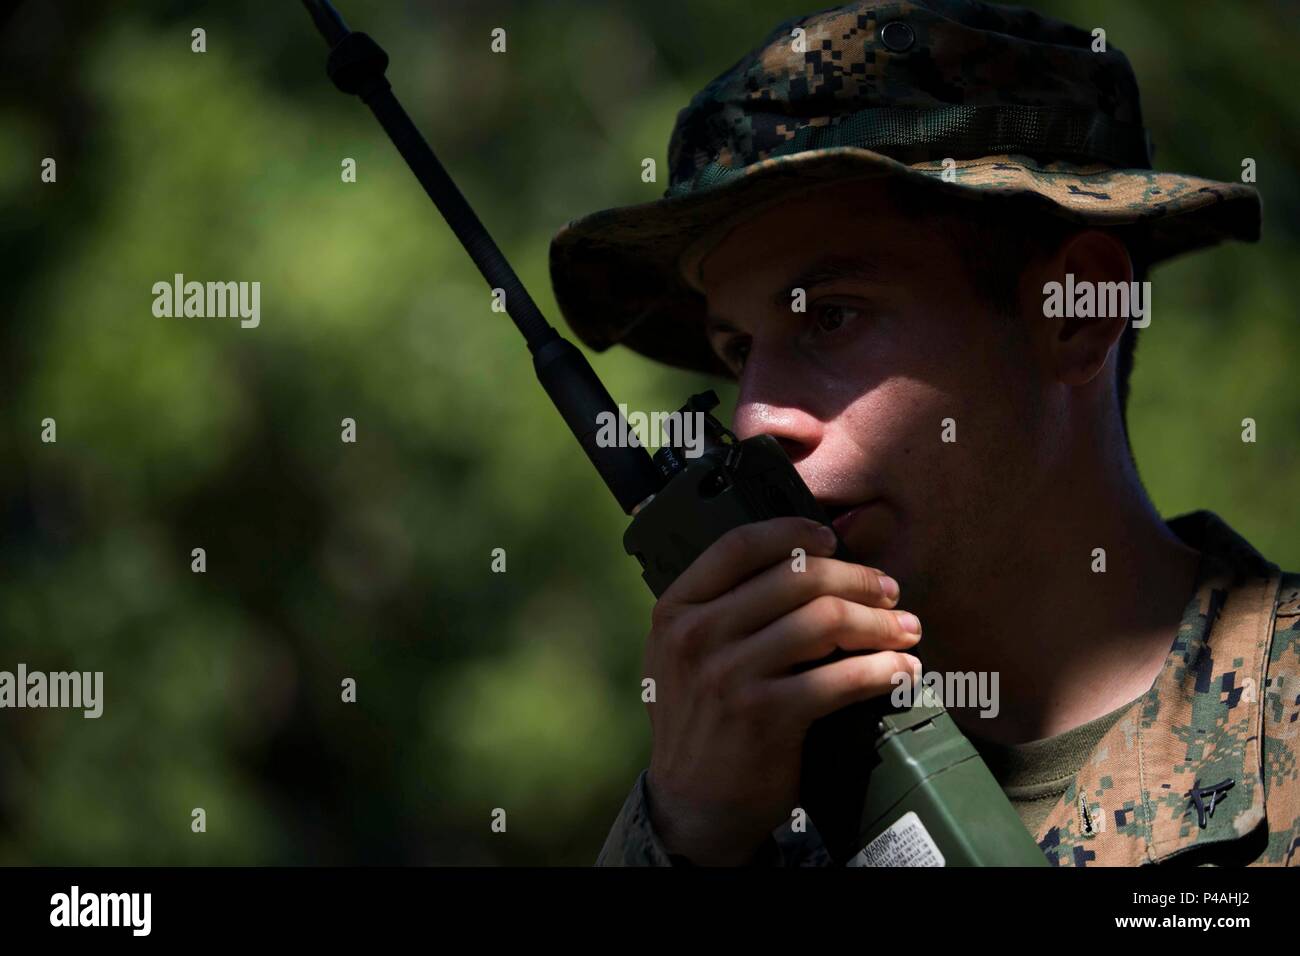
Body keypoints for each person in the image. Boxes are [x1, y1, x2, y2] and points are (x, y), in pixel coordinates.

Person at [548, 0, 1299, 867]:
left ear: (1076, 316)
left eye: (830, 317)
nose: (753, 419)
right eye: (737, 349)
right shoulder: (748, 813)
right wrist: (683, 834)